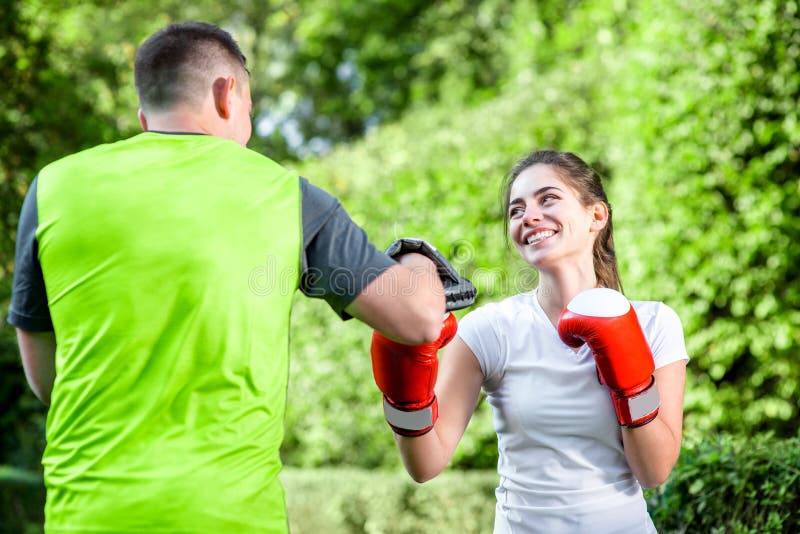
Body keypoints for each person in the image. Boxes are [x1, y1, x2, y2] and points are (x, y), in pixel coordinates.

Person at [7, 21, 449, 533]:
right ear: (227, 94)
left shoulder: (53, 188)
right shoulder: (286, 195)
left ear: (143, 114)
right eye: (250, 113)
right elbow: (417, 320)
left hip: (87, 515)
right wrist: (418, 261)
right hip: (231, 517)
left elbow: (47, 380)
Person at [369, 150, 689, 533]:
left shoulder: (654, 322)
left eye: (548, 198)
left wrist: (632, 384)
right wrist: (406, 396)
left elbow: (654, 472)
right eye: (515, 210)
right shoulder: (490, 329)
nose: (529, 216)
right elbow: (424, 465)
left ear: (596, 215)